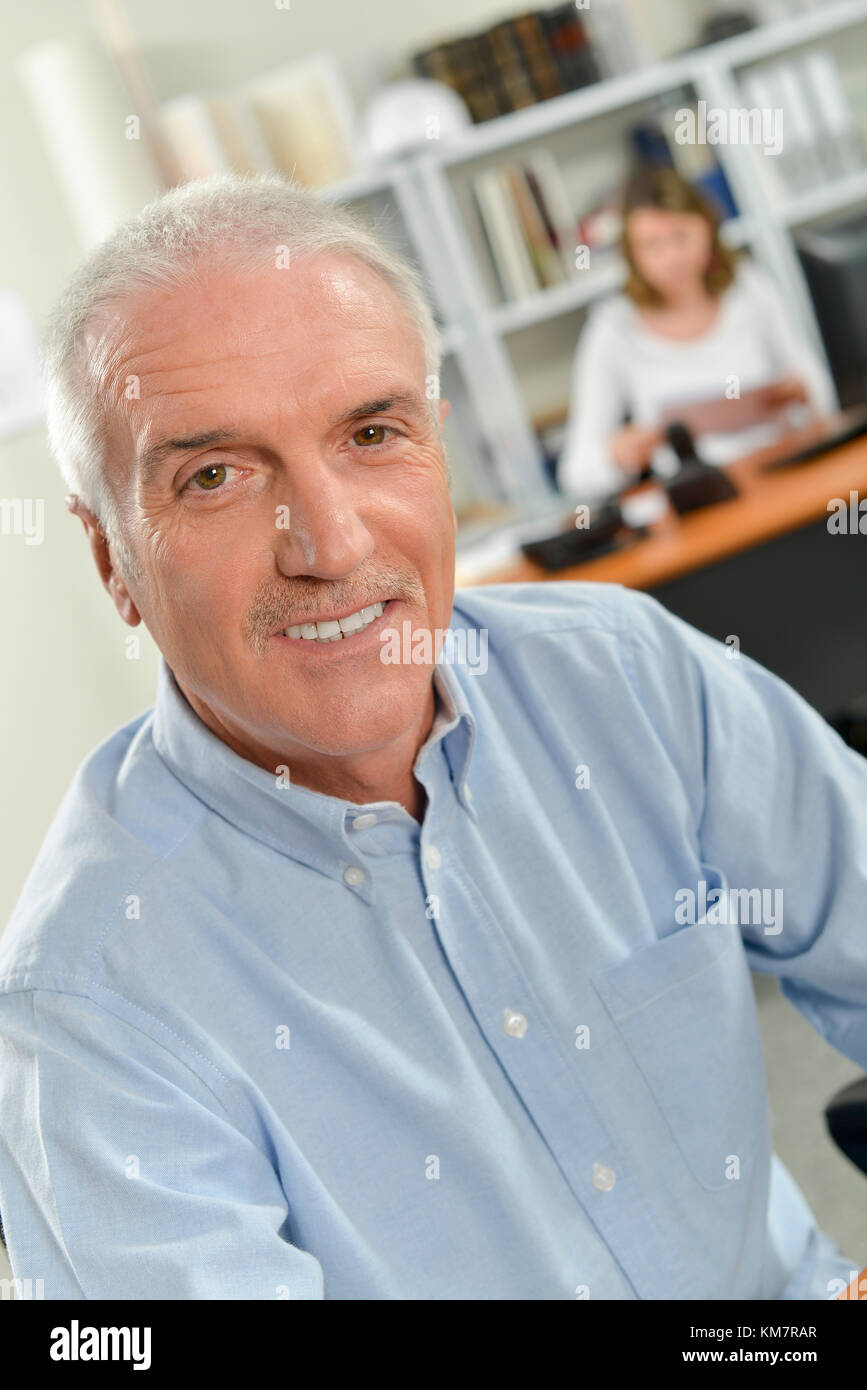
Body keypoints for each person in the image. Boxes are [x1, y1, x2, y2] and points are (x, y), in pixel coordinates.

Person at [0, 173, 865, 1301]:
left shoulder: (624, 676)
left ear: (436, 445)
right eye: (213, 476)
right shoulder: (88, 1006)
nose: (329, 538)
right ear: (113, 558)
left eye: (372, 431)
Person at [557, 165, 837, 500]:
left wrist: (802, 393)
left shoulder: (750, 289)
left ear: (707, 228)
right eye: (652, 246)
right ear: (631, 254)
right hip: (697, 499)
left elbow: (822, 393)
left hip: (784, 476)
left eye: (681, 236)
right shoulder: (613, 328)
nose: (671, 257)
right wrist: (619, 457)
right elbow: (577, 473)